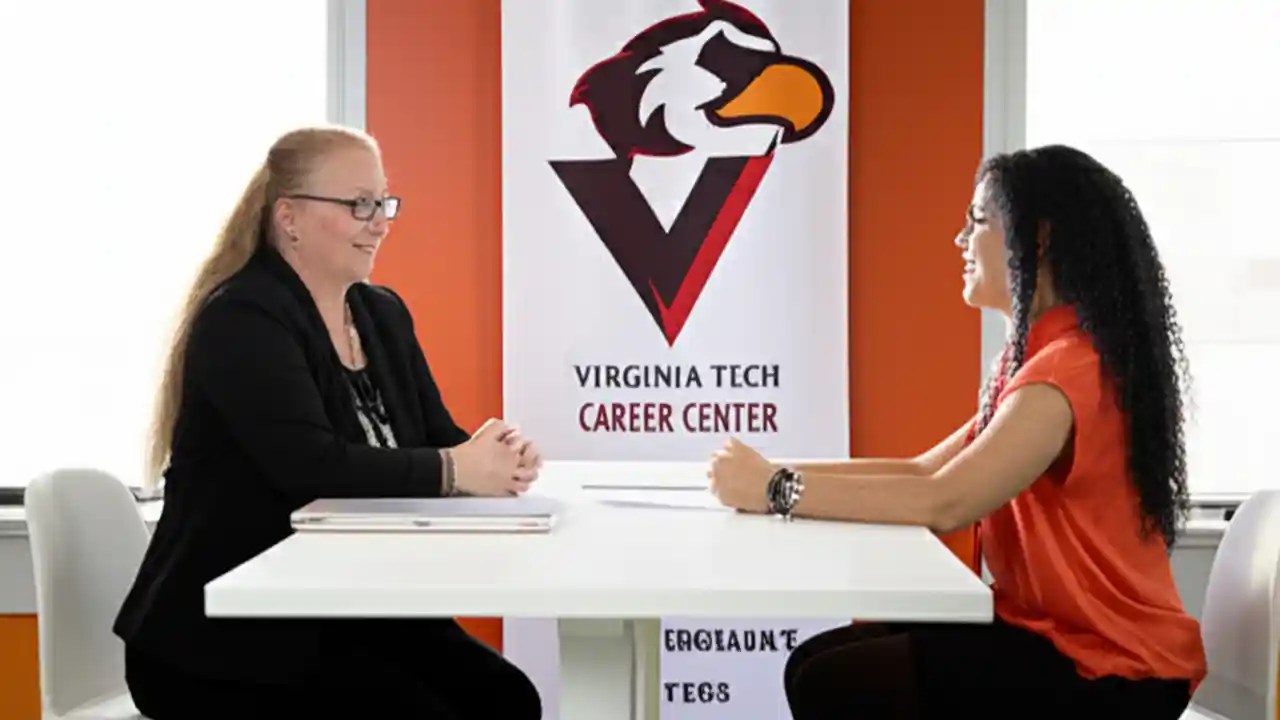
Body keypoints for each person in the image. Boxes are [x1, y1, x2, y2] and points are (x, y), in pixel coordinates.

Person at [706, 145, 1206, 718]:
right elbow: (924, 471)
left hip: (1114, 669)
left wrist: (775, 490)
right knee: (814, 667)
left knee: (832, 682)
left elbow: (946, 501)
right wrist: (770, 472)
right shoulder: (1032, 364)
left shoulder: (1068, 371)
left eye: (975, 221)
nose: (958, 241)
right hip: (1054, 637)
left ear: (1036, 237)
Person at [114, 125, 543, 719]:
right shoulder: (243, 317)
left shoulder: (381, 313)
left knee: (507, 700)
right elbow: (310, 468)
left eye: (383, 203)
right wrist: (455, 469)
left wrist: (494, 456)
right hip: (220, 638)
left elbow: (436, 440)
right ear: (288, 217)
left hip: (348, 614)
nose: (380, 222)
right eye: (358, 204)